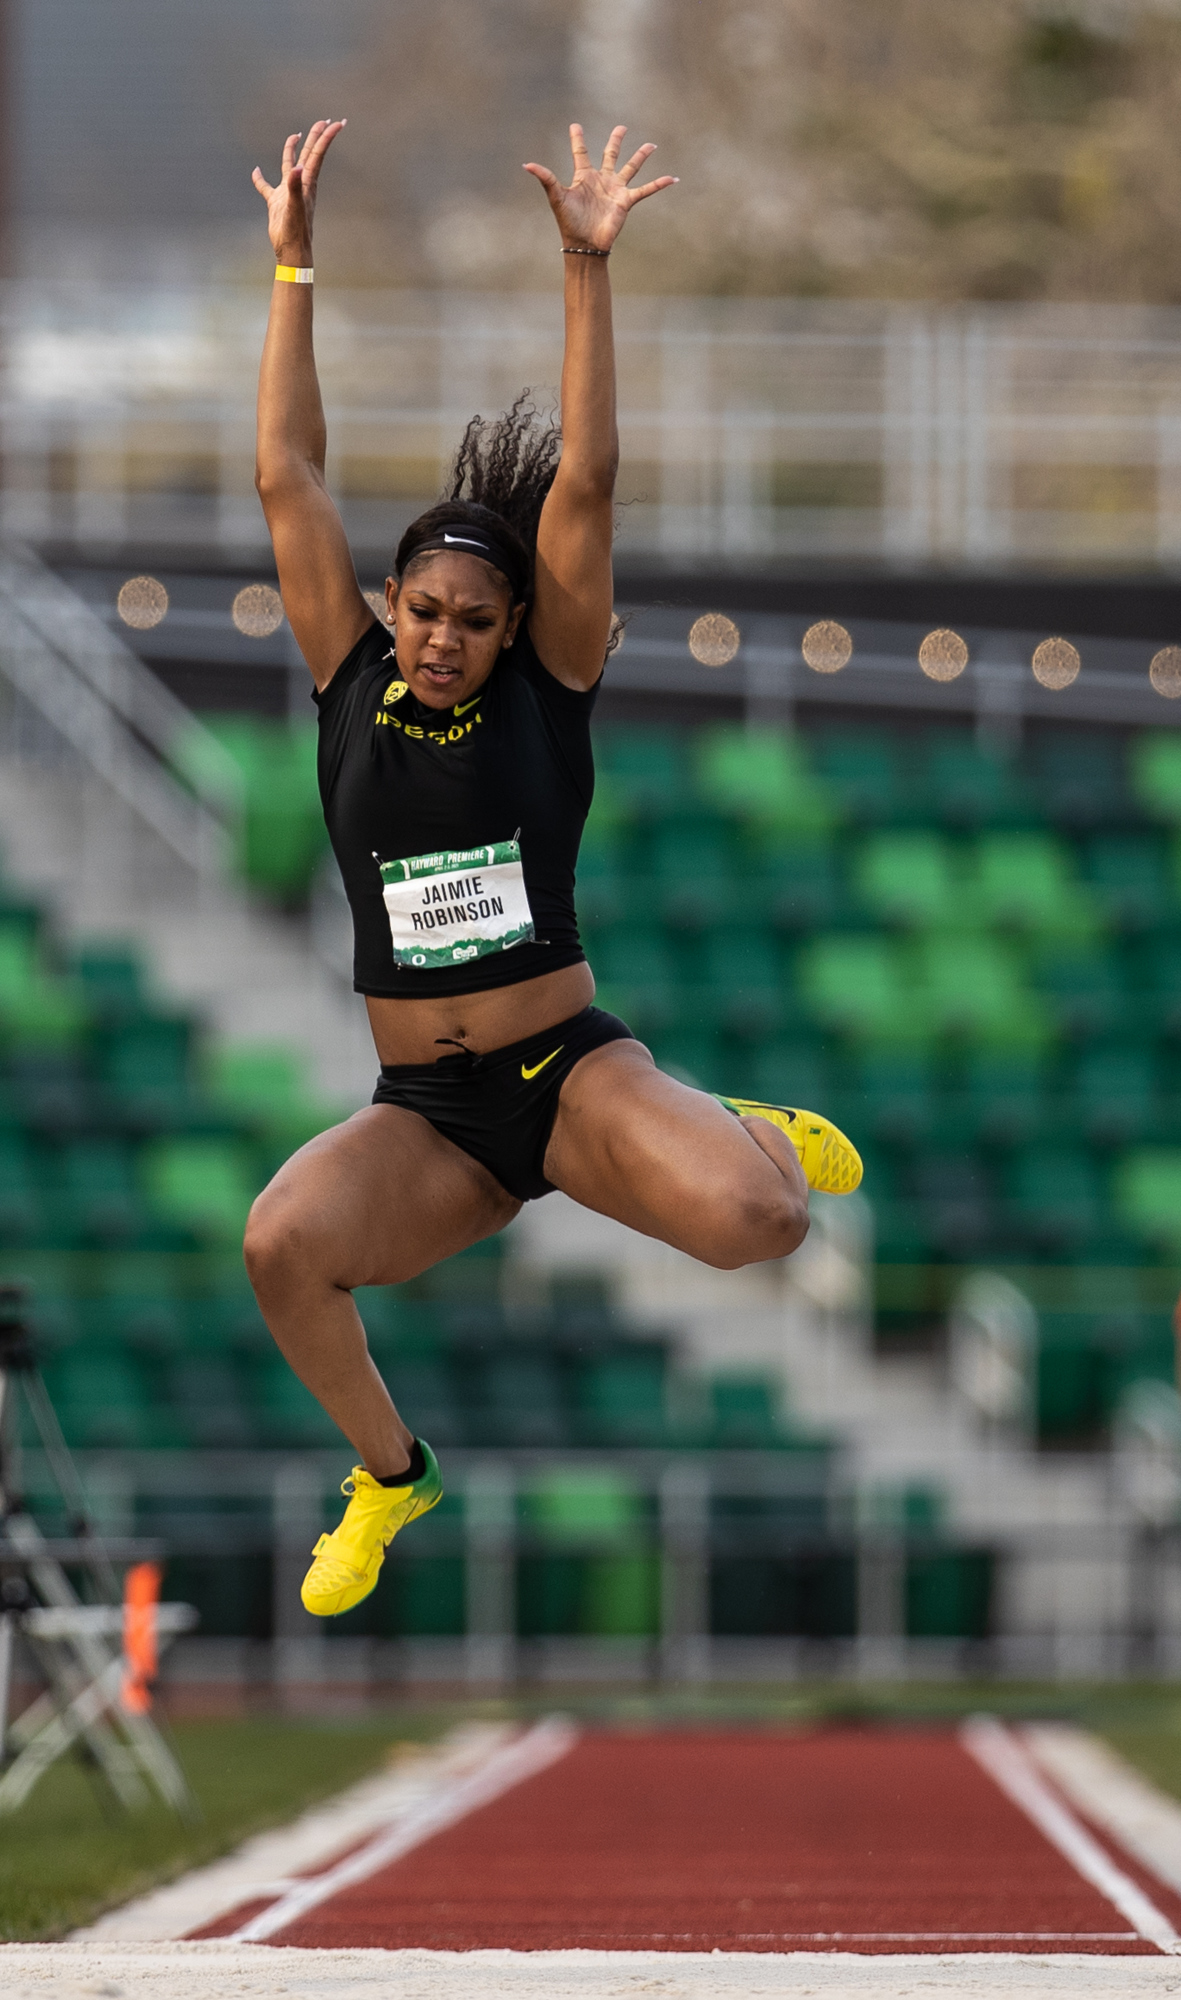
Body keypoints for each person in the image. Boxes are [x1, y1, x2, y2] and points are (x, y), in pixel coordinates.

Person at [246, 117, 863, 1620]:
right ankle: (391, 1476)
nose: (445, 632)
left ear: (513, 627)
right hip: (434, 1118)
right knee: (278, 1242)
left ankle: (740, 1125)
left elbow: (583, 478)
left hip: (565, 1074)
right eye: (425, 608)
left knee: (761, 1225)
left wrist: (585, 270)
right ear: (390, 606)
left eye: (474, 613)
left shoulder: (545, 689)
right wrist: (293, 269)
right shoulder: (346, 683)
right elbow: (285, 472)